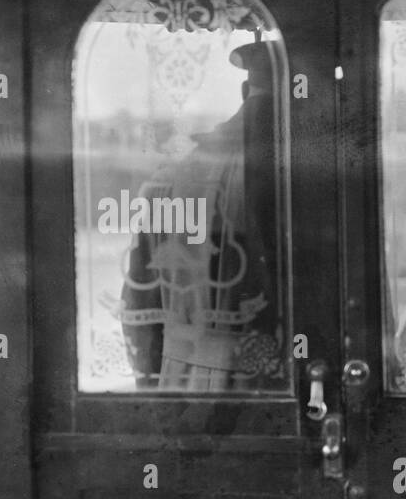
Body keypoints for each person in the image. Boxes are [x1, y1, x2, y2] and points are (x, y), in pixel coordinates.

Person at [118, 40, 284, 391]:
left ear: (244, 90)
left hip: (193, 383)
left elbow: (140, 309)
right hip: (291, 380)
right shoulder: (319, 177)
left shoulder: (171, 178)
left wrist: (153, 389)